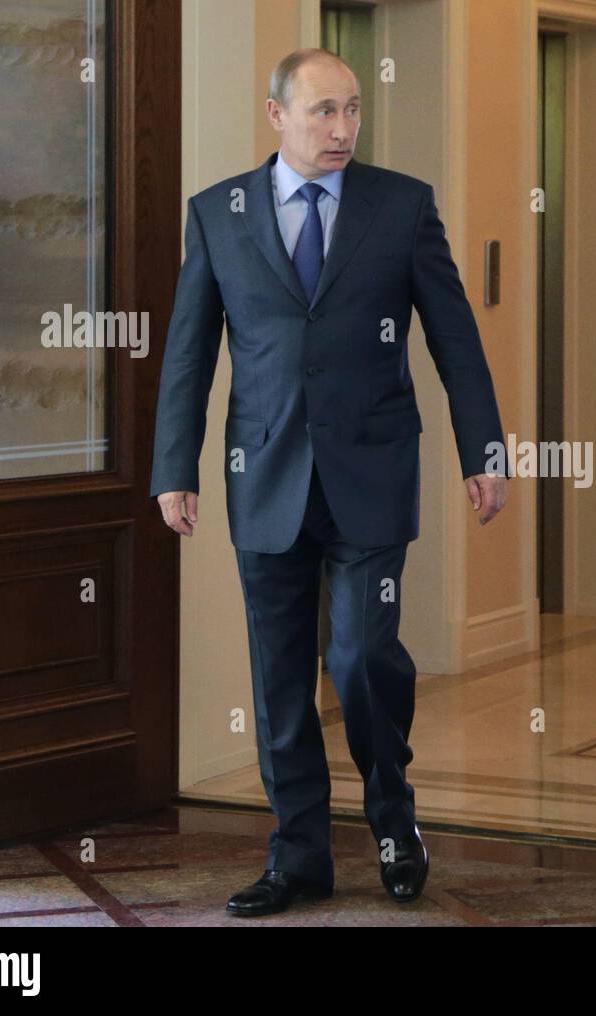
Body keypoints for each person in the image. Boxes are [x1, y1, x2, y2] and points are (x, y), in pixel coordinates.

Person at [150, 47, 508, 916]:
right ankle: (299, 853)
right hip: (263, 475)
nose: (343, 129)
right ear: (276, 115)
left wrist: (483, 451)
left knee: (355, 654)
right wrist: (175, 467)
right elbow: (190, 353)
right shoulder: (219, 214)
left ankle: (393, 821)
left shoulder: (402, 206)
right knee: (279, 676)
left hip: (372, 473)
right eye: (323, 112)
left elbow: (454, 338)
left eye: (351, 110)